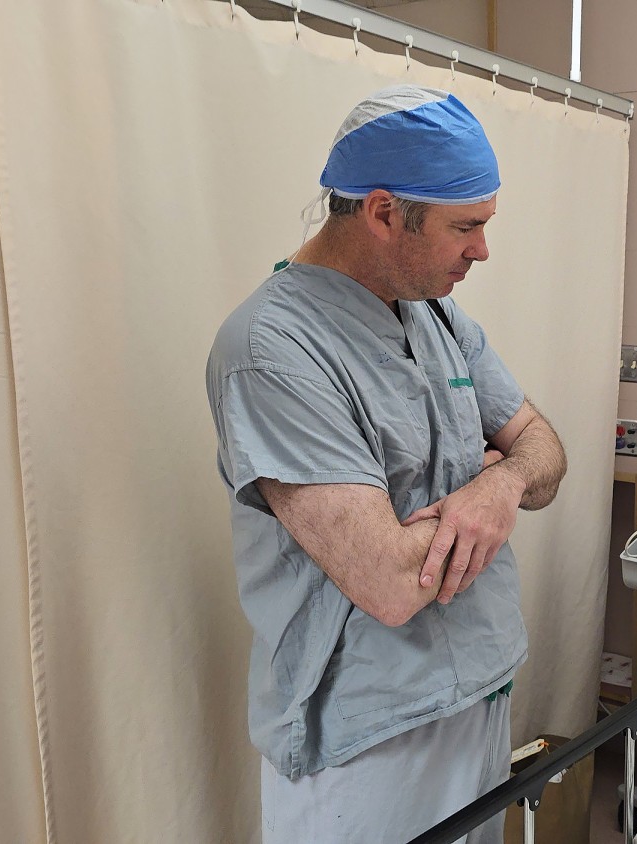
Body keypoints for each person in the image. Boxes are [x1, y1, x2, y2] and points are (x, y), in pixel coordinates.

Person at [205, 85, 567, 844]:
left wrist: (498, 485)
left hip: (476, 692)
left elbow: (545, 451)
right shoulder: (273, 351)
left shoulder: (435, 314)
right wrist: (495, 479)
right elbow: (391, 583)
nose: (482, 250)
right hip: (367, 733)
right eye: (464, 226)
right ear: (381, 213)